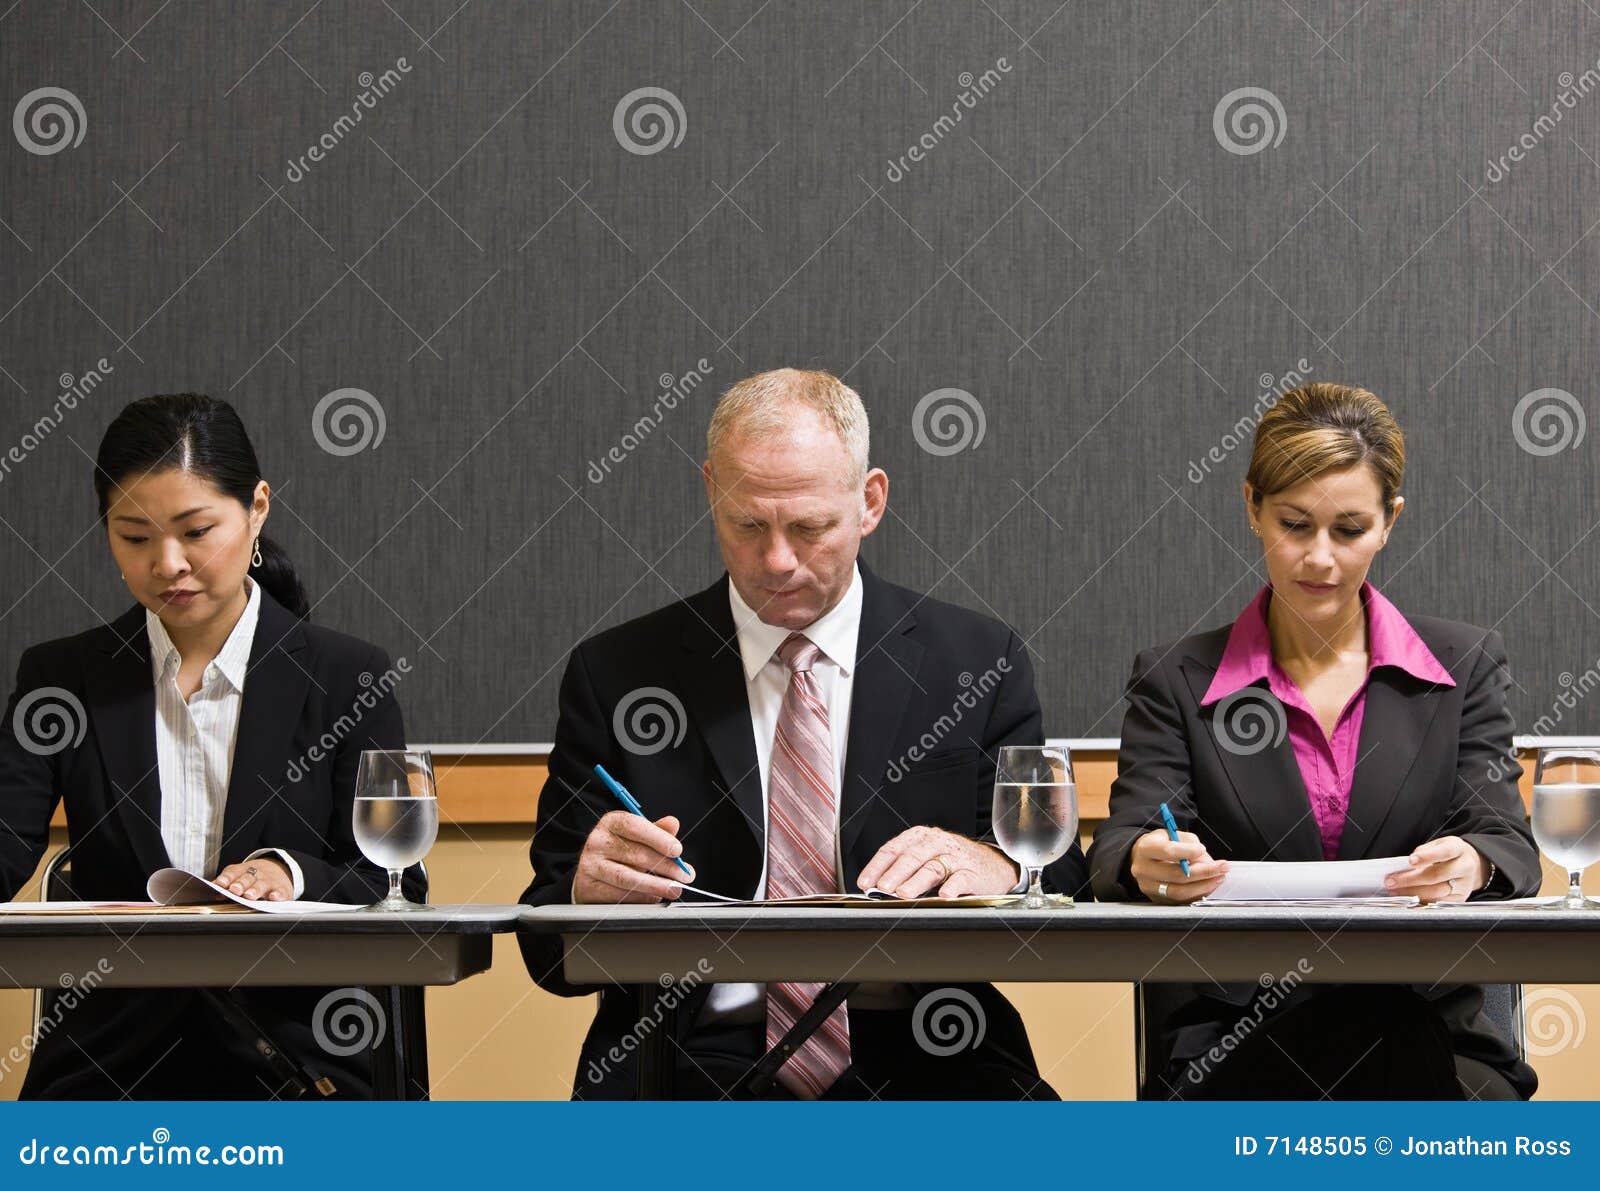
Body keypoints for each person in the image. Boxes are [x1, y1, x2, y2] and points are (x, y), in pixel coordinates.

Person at [520, 367, 1087, 1100]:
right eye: (748, 524)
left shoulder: (976, 660)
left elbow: (1066, 874)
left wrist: (1004, 869)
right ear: (710, 491)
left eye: (810, 527)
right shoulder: (619, 673)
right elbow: (542, 946)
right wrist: (583, 893)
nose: (777, 560)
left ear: (870, 501)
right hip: (686, 1058)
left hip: (930, 1050)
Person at [1087, 382, 1541, 1100]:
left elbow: (1509, 842)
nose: (1320, 559)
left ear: (1390, 521)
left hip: (1430, 1036)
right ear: (1251, 509)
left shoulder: (1463, 666)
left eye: (1349, 529)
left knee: (1393, 1042)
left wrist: (1474, 859)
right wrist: (1147, 857)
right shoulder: (1176, 677)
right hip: (1236, 1041)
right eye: (1295, 525)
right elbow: (1117, 847)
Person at [0, 393, 419, 1099]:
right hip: (110, 1070)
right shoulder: (64, 678)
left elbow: (394, 877)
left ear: (257, 507)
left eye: (196, 531)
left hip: (299, 1064)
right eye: (134, 536)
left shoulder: (350, 676)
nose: (168, 564)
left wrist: (290, 875)